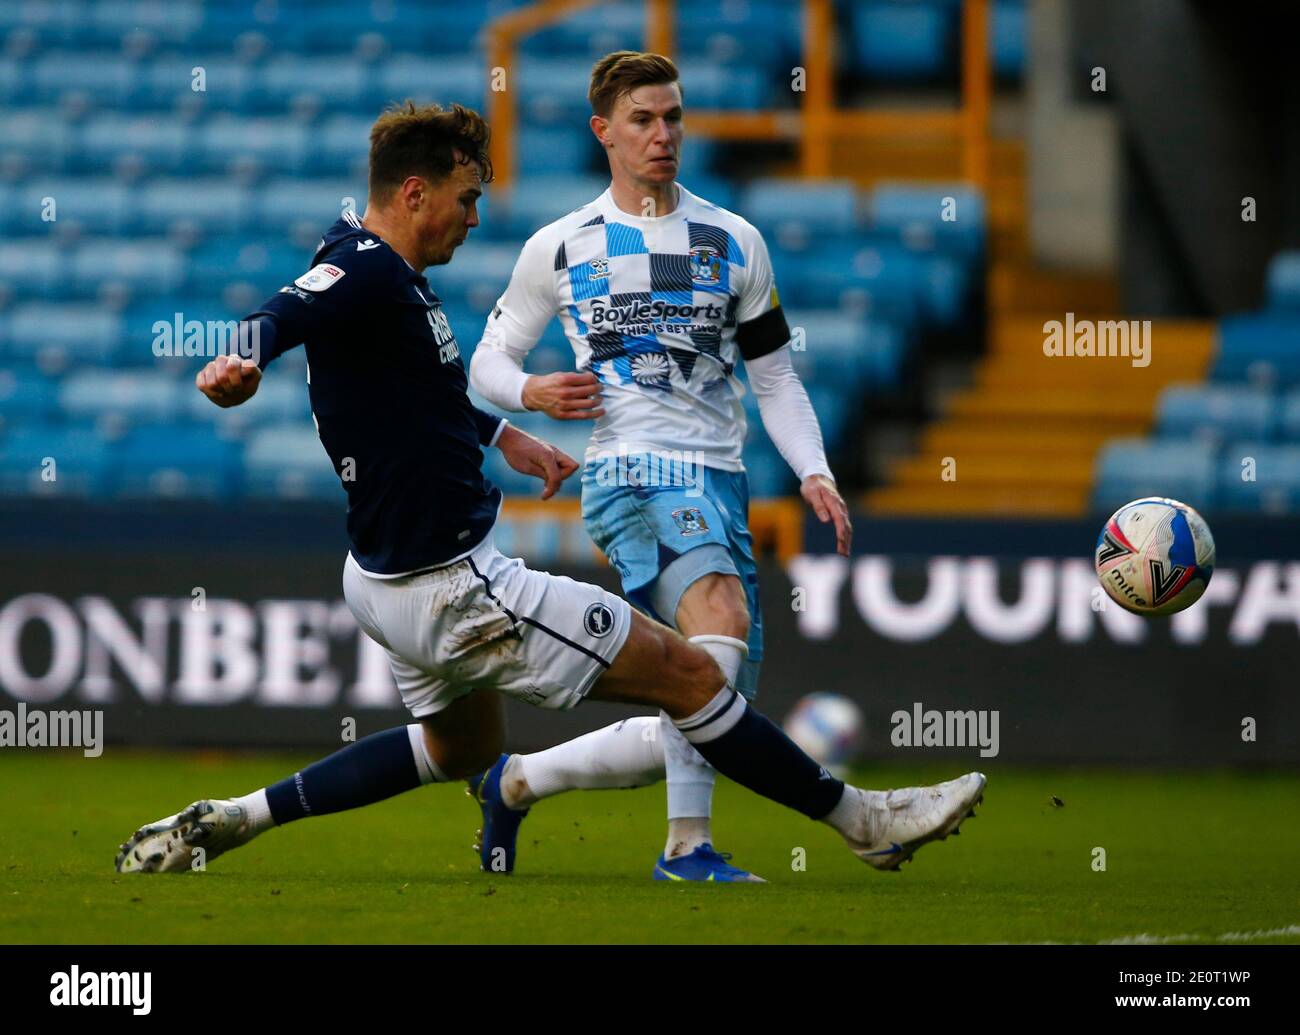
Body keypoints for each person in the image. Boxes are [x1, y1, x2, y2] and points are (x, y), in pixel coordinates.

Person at [114, 100, 984, 879]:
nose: (474, 217)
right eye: (465, 199)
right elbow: (285, 312)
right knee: (689, 674)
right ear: (414, 194)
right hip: (460, 589)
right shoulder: (364, 272)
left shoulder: (373, 265)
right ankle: (860, 819)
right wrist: (241, 359)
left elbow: (413, 394)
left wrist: (504, 433)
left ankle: (235, 817)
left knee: (463, 747)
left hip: (377, 583)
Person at [467, 52, 849, 881]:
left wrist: (814, 470)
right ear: (603, 130)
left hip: (720, 478)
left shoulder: (733, 238)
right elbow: (486, 363)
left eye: (673, 116)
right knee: (715, 631)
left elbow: (775, 377)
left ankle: (517, 780)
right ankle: (688, 847)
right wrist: (532, 388)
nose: (663, 134)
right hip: (629, 472)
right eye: (643, 119)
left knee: (709, 701)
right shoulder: (562, 246)